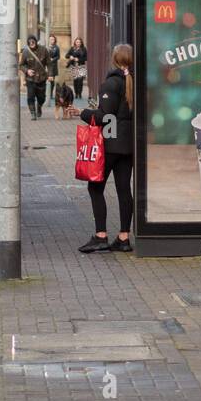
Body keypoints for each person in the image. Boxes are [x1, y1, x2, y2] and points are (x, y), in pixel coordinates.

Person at [77, 43, 135, 253]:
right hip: (129, 146)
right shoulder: (135, 81)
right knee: (123, 189)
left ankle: (101, 235)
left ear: (114, 59)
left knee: (95, 187)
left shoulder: (112, 83)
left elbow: (105, 116)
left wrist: (82, 113)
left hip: (111, 144)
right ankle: (124, 238)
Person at [19, 34, 50, 119]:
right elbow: (21, 65)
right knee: (30, 96)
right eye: (30, 42)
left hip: (42, 78)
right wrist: (27, 71)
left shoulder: (44, 50)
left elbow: (49, 64)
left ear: (36, 42)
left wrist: (50, 75)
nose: (32, 44)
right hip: (30, 79)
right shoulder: (26, 52)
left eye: (33, 42)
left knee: (42, 98)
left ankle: (39, 106)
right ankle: (33, 113)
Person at [44, 34, 62, 107]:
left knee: (52, 80)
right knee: (44, 80)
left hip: (53, 66)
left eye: (53, 39)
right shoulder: (45, 47)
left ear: (54, 40)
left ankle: (50, 93)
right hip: (45, 66)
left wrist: (53, 59)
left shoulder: (56, 48)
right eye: (50, 39)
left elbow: (58, 56)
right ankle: (45, 93)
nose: (51, 40)